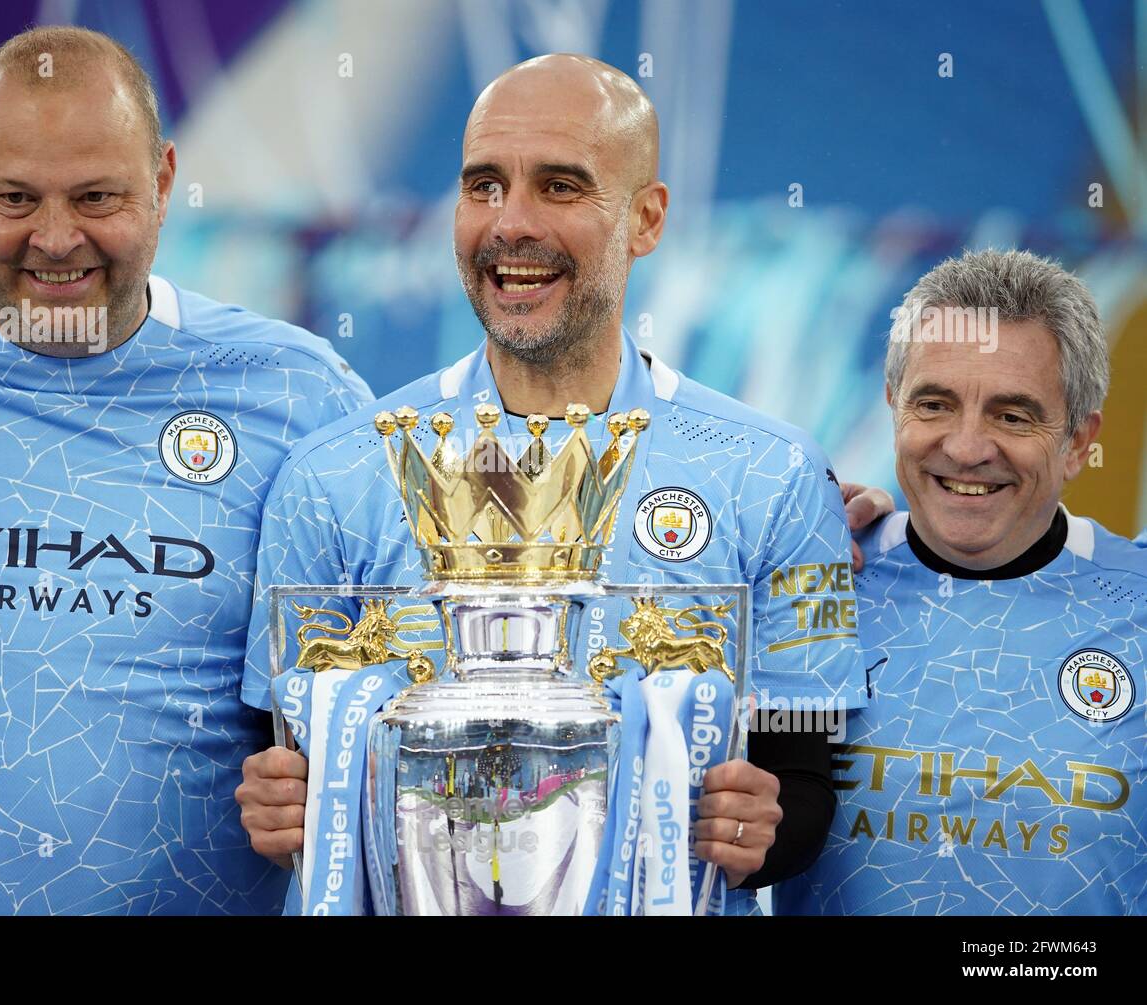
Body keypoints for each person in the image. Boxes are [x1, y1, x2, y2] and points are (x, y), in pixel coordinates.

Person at [236, 53, 873, 914]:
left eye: (561, 186)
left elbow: (803, 765)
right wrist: (276, 803)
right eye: (483, 185)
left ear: (646, 219)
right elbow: (282, 754)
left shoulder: (777, 475)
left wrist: (764, 830)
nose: (511, 224)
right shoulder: (332, 475)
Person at [0, 27, 370, 914]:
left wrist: (332, 782)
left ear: (164, 182)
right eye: (14, 198)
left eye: (97, 197)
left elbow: (397, 683)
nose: (55, 240)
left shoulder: (298, 395)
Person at [776, 249, 1147, 915]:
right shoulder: (809, 582)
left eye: (1013, 415)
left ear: (1078, 439)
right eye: (935, 404)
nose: (968, 446)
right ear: (894, 406)